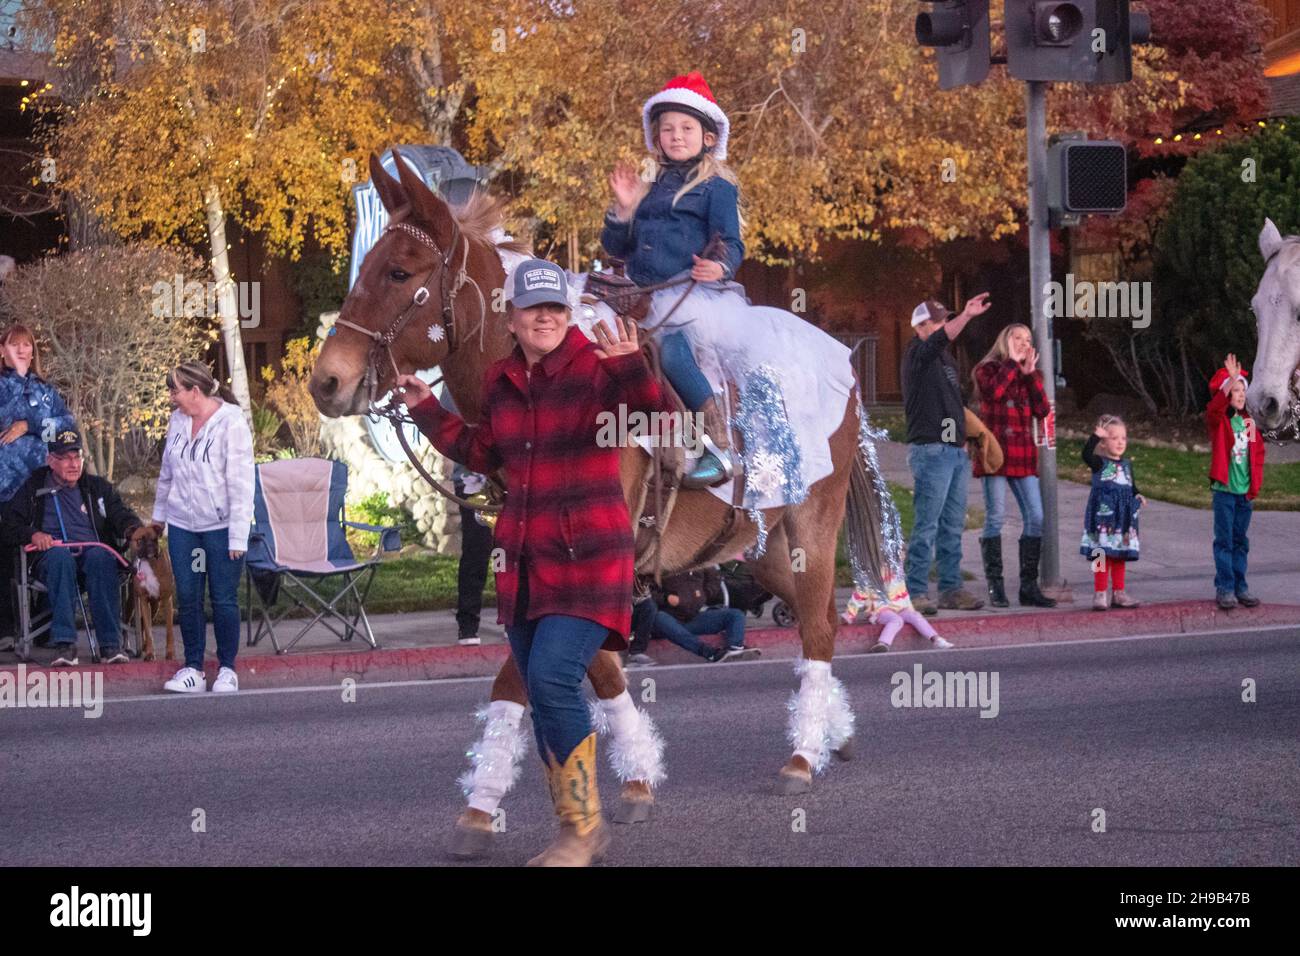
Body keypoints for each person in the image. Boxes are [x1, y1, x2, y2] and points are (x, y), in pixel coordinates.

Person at [398, 258, 670, 867]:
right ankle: (574, 828)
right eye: (533, 308)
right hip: (522, 562)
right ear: (513, 316)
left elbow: (660, 423)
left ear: (567, 315)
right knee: (546, 696)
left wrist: (632, 369)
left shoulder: (601, 369)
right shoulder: (500, 381)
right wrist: (425, 410)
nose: (544, 317)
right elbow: (485, 451)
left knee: (550, 677)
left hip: (590, 557)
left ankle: (582, 831)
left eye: (554, 308)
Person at [601, 71, 854, 502]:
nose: (676, 136)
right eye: (667, 129)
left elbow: (732, 241)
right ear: (656, 137)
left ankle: (716, 445)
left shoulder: (716, 187)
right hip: (639, 297)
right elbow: (616, 248)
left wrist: (718, 267)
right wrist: (623, 211)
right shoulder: (648, 188)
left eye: (686, 128)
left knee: (675, 351)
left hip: (692, 296)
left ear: (707, 136)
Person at [152, 362, 255, 694]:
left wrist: (238, 534)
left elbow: (241, 482)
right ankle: (193, 668)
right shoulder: (177, 421)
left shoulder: (232, 422)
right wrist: (159, 516)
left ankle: (227, 668)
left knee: (223, 598)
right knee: (189, 596)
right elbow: (167, 472)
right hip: (184, 525)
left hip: (221, 526)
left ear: (194, 391)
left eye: (175, 390)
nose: (171, 397)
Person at [0, 428, 144, 665]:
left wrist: (132, 530)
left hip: (92, 554)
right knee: (59, 557)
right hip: (51, 557)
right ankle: (65, 646)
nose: (73, 463)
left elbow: (121, 515)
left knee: (100, 557)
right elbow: (10, 525)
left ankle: (110, 646)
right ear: (50, 460)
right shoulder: (34, 487)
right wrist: (33, 534)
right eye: (65, 458)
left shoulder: (96, 487)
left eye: (77, 457)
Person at [901, 296, 992, 614]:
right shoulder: (918, 354)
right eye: (938, 322)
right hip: (930, 450)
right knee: (927, 524)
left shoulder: (946, 361)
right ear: (921, 327)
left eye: (944, 320)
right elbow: (942, 338)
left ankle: (951, 589)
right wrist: (967, 315)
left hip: (954, 452)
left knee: (952, 525)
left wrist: (966, 440)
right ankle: (915, 591)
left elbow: (955, 403)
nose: (943, 327)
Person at [0, 323, 76, 648]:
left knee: (46, 551)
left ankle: (44, 628)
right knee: (5, 557)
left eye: (27, 345)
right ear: (3, 351)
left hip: (41, 489)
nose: (21, 350)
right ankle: (6, 630)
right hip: (5, 487)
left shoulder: (45, 391)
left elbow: (66, 428)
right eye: (14, 345)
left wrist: (28, 425)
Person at [971, 323, 1056, 608]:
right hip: (995, 452)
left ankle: (1028, 587)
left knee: (1036, 516)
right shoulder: (987, 369)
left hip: (1022, 453)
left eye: (1027, 339)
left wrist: (1030, 376)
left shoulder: (1031, 373)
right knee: (995, 516)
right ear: (1004, 340)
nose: (1022, 343)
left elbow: (1043, 411)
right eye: (1017, 338)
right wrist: (1012, 363)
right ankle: (996, 586)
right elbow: (994, 393)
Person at [1206, 354, 1265, 610]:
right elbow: (1214, 409)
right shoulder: (1220, 422)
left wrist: (1255, 484)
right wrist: (1230, 379)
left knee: (1241, 541)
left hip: (1244, 494)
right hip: (1225, 492)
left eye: (1242, 389)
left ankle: (1241, 586)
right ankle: (1225, 587)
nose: (1240, 394)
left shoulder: (1249, 422)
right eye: (1235, 390)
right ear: (1227, 394)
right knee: (1225, 541)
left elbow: (1257, 452)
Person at [1080, 414, 1146, 611]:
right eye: (1114, 438)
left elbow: (1130, 485)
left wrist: (1138, 494)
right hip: (1103, 519)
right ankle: (1100, 592)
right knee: (1101, 554)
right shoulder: (1099, 463)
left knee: (1119, 555)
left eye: (1123, 438)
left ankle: (1119, 592)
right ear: (1103, 442)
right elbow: (1085, 455)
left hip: (1122, 520)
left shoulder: (1126, 465)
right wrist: (1094, 436)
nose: (1119, 442)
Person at [648, 565, 757, 662]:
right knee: (659, 618)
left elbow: (715, 580)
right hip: (667, 619)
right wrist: (666, 599)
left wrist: (705, 595)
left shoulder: (700, 560)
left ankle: (735, 648)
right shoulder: (661, 562)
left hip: (692, 618)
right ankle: (710, 653)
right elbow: (645, 591)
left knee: (735, 615)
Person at [841, 576, 953, 652]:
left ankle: (936, 639)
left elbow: (904, 595)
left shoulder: (897, 576)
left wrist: (910, 610)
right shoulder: (871, 575)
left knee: (916, 616)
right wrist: (849, 615)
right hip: (880, 610)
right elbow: (859, 595)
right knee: (896, 620)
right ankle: (883, 643)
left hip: (900, 608)